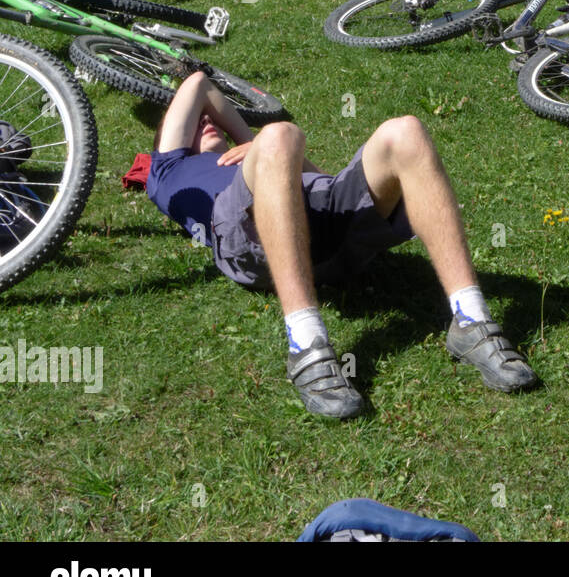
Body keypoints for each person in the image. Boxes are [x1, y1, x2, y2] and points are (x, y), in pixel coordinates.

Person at [145, 72, 536, 419]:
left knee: (406, 130)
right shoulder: (167, 171)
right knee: (282, 133)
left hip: (328, 224)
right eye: (199, 123)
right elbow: (197, 84)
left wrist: (259, 150)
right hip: (248, 237)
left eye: (211, 118)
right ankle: (306, 344)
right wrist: (262, 144)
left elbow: (326, 181)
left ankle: (471, 319)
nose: (208, 119)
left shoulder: (262, 152)